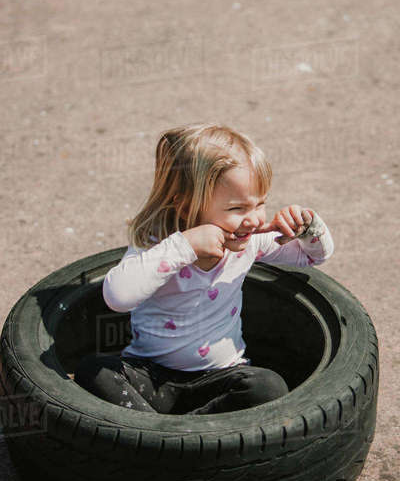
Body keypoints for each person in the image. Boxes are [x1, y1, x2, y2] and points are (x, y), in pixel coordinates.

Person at [75, 123, 334, 415]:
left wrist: (306, 224)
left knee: (268, 387)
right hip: (151, 378)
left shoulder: (249, 241)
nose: (253, 219)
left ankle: (177, 435)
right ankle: (159, 434)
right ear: (186, 208)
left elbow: (312, 257)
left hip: (221, 380)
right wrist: (184, 246)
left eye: (260, 204)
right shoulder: (159, 244)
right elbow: (117, 297)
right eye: (237, 209)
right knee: (92, 371)